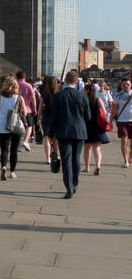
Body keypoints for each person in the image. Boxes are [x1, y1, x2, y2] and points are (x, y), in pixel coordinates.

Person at [47, 69, 90, 199]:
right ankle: (75, 182)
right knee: (76, 158)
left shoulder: (58, 96)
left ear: (65, 80)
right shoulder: (82, 96)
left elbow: (53, 117)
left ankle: (69, 187)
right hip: (79, 131)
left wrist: (51, 133)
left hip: (63, 131)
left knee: (66, 159)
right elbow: (88, 117)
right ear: (76, 82)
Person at [0, 75, 25, 181]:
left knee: (4, 150)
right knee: (14, 150)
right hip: (15, 126)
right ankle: (12, 171)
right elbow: (25, 112)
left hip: (3, 126)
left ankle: (3, 167)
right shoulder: (19, 97)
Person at [83, 80, 109, 175]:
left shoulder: (84, 100)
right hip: (97, 126)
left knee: (87, 148)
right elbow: (105, 112)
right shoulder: (98, 100)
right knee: (97, 148)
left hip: (86, 126)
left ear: (87, 91)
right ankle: (98, 166)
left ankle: (87, 167)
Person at [39, 75, 60, 166]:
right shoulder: (59, 93)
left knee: (47, 137)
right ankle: (56, 154)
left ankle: (48, 158)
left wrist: (38, 117)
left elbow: (40, 107)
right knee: (55, 138)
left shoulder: (44, 94)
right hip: (57, 118)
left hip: (46, 117)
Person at [111, 78, 132, 167]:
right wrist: (110, 120)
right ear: (121, 86)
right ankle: (126, 160)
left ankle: (130, 156)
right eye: (124, 85)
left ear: (130, 85)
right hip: (122, 121)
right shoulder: (118, 95)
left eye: (127, 84)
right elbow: (114, 109)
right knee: (124, 141)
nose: (126, 86)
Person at [15, 71, 37, 152]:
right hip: (27, 109)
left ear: (16, 77)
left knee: (17, 128)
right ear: (25, 77)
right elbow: (33, 98)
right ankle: (25, 141)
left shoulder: (14, 85)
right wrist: (34, 108)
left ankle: (18, 146)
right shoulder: (28, 85)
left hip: (16, 109)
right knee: (29, 126)